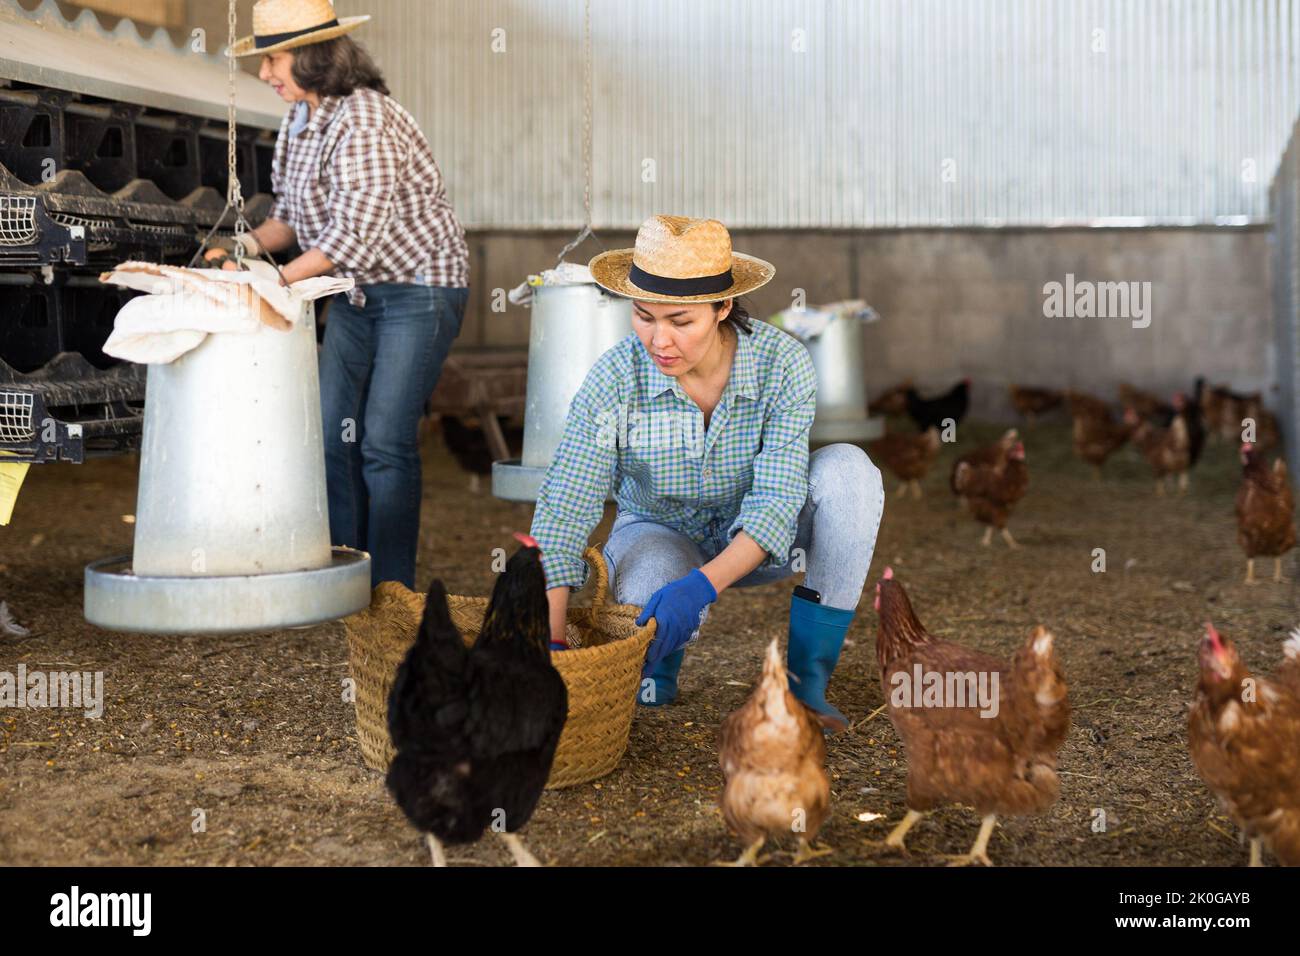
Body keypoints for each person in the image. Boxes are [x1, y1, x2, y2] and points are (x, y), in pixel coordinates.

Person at [530, 215, 884, 726]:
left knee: (849, 471)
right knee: (650, 581)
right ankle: (656, 668)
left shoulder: (780, 362)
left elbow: (778, 498)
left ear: (723, 307)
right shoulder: (614, 377)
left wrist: (701, 587)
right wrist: (553, 638)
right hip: (659, 532)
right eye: (644, 316)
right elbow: (566, 505)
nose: (659, 340)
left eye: (680, 321)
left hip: (768, 540)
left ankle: (808, 685)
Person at [210, 0, 469, 589]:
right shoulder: (299, 120)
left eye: (272, 58)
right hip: (355, 294)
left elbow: (351, 237)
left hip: (420, 290)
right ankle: (346, 571)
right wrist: (239, 250)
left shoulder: (367, 120)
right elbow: (290, 220)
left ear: (313, 55)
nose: (266, 74)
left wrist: (273, 281)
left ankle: (391, 588)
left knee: (383, 439)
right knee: (332, 431)